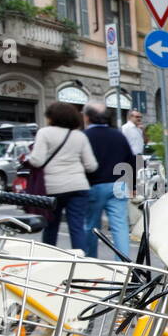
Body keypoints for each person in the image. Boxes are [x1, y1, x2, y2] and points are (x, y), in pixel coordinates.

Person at [27, 102, 97, 250]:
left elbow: (37, 161)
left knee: (51, 226)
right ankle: (81, 263)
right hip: (79, 186)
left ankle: (49, 260)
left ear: (52, 117)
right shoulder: (80, 136)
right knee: (77, 228)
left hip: (53, 188)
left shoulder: (44, 133)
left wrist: (27, 157)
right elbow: (91, 166)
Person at [81, 102, 136, 260]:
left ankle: (91, 260)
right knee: (120, 227)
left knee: (91, 226)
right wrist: (132, 185)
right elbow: (131, 160)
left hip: (94, 185)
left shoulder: (85, 136)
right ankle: (123, 266)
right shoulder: (118, 135)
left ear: (87, 117)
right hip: (119, 184)